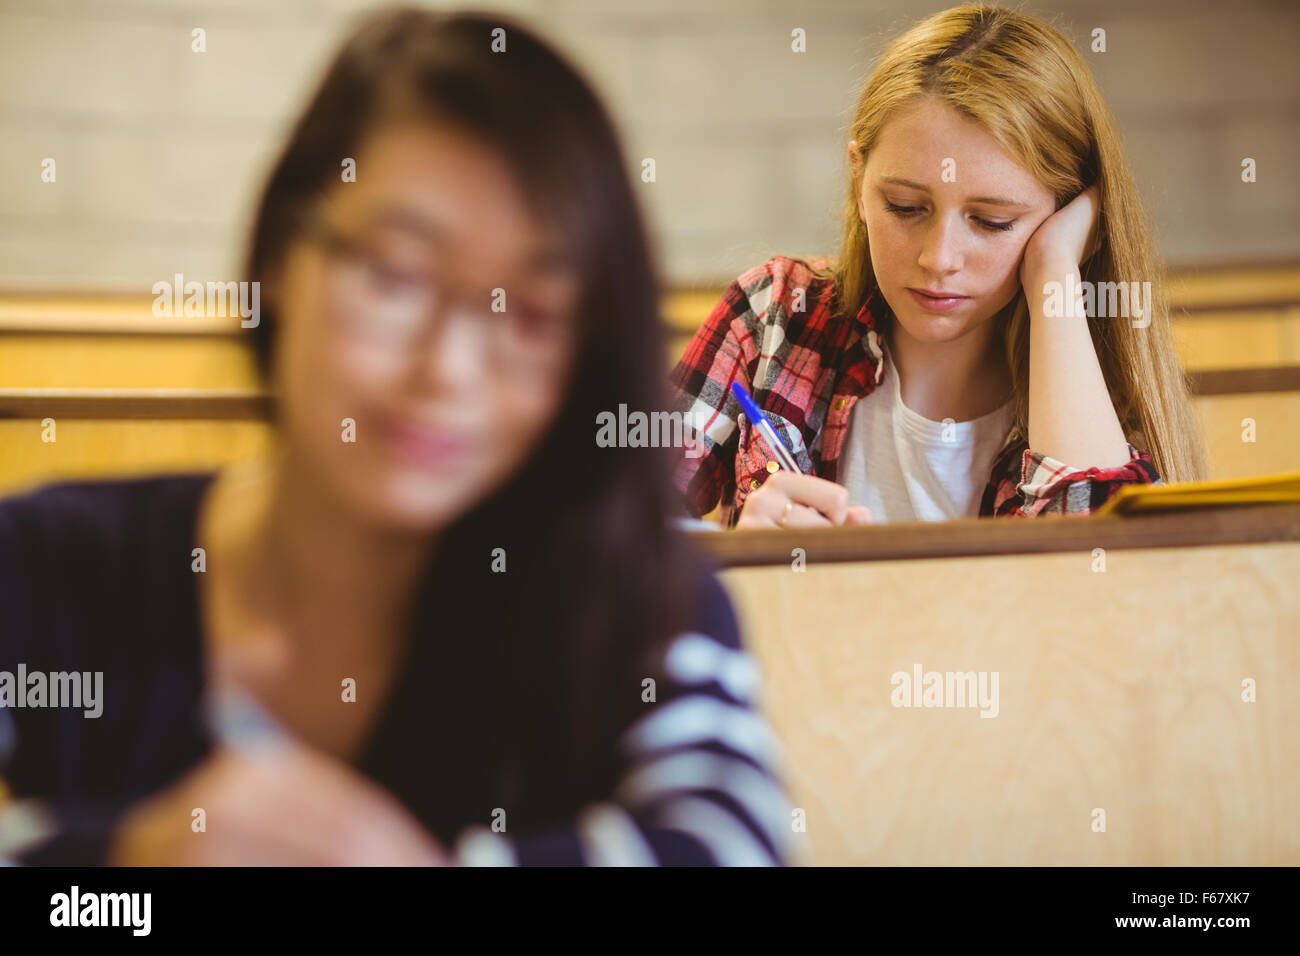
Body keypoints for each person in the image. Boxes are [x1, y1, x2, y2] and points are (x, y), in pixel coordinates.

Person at [0, 8, 789, 866]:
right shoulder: (52, 564)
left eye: (528, 313)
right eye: (394, 275)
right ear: (276, 261)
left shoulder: (640, 607)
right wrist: (128, 865)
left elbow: (733, 843)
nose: (447, 369)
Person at [671, 3, 1206, 530]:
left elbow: (1108, 585)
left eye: (993, 221)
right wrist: (733, 564)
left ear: (1068, 218)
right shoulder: (773, 315)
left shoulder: (1096, 396)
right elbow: (605, 531)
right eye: (905, 208)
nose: (938, 259)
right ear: (859, 182)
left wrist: (1054, 273)